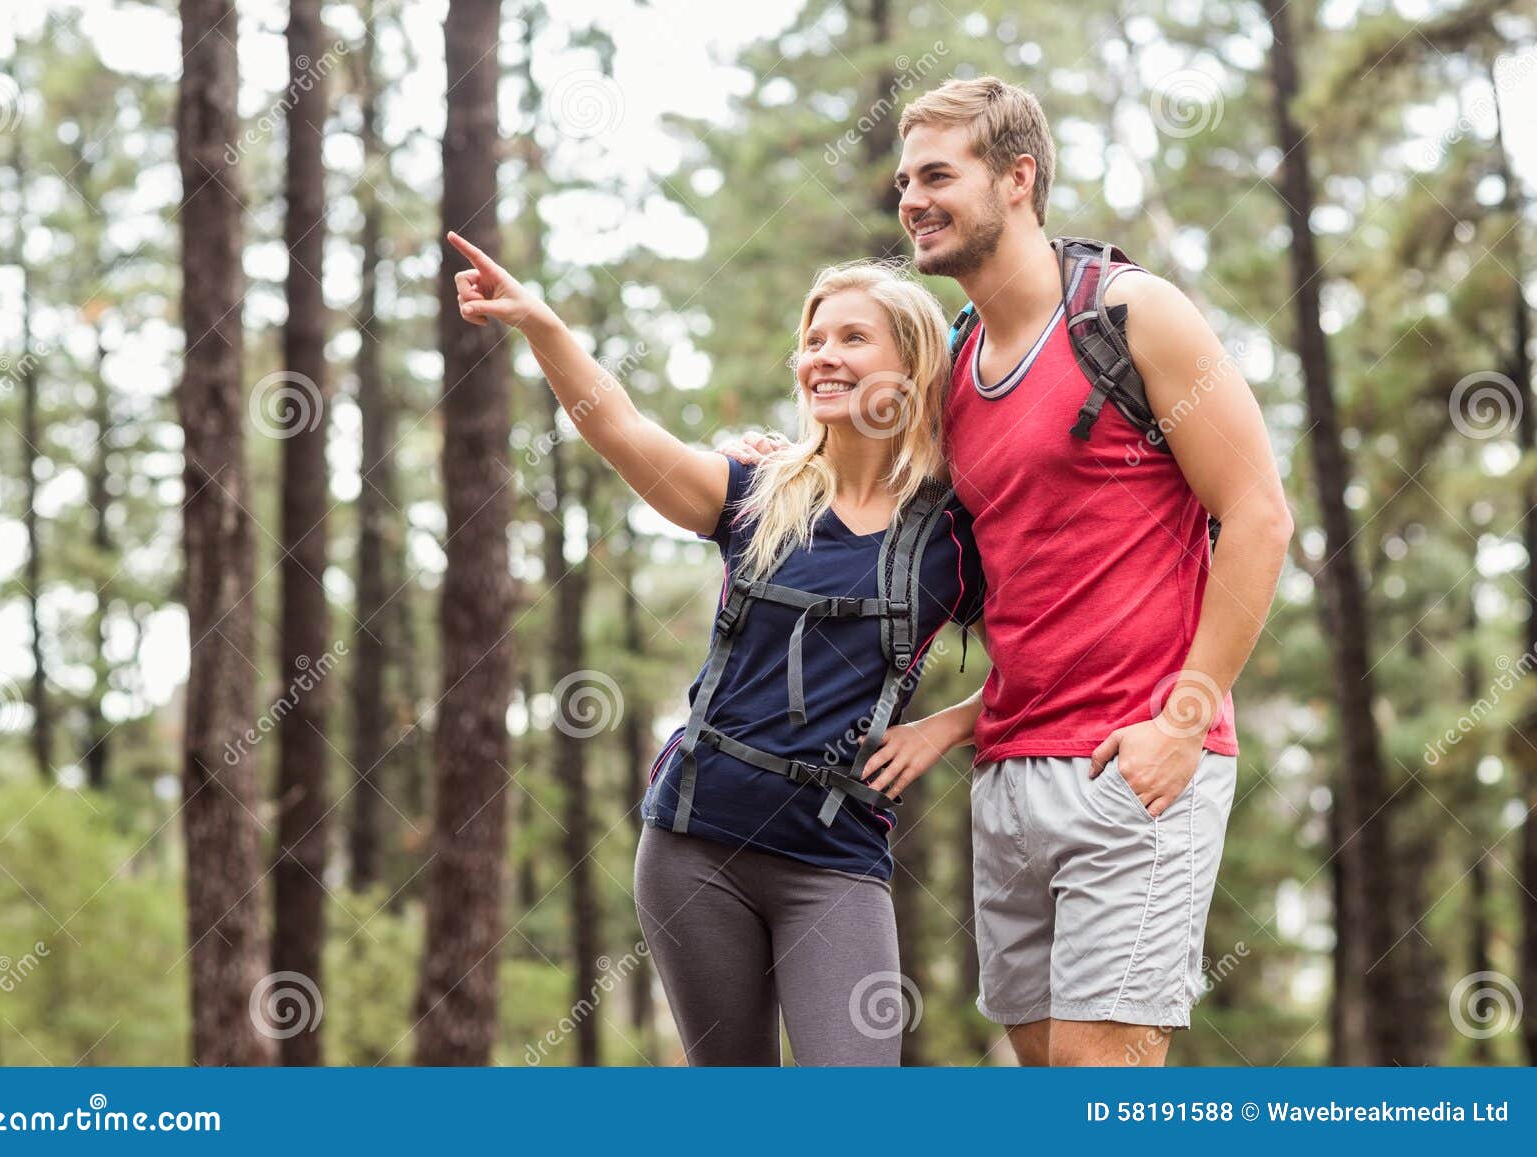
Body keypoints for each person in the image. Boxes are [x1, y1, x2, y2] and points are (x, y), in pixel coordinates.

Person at [727, 76, 1293, 1066]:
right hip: (1008, 776)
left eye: (938, 174)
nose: (912, 200)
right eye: (905, 179)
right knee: (1041, 1075)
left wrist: (1181, 719)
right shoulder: (951, 369)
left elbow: (1257, 514)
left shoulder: (1131, 315)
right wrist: (783, 463)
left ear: (1018, 178)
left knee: (1097, 1080)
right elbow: (886, 506)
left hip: (1137, 762)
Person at [448, 232, 985, 1066]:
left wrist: (945, 727)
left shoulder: (953, 535)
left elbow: (1056, 650)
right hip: (693, 846)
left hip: (834, 858)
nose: (823, 356)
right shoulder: (752, 494)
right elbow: (620, 430)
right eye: (813, 339)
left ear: (911, 367)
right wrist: (542, 325)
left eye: (852, 337)